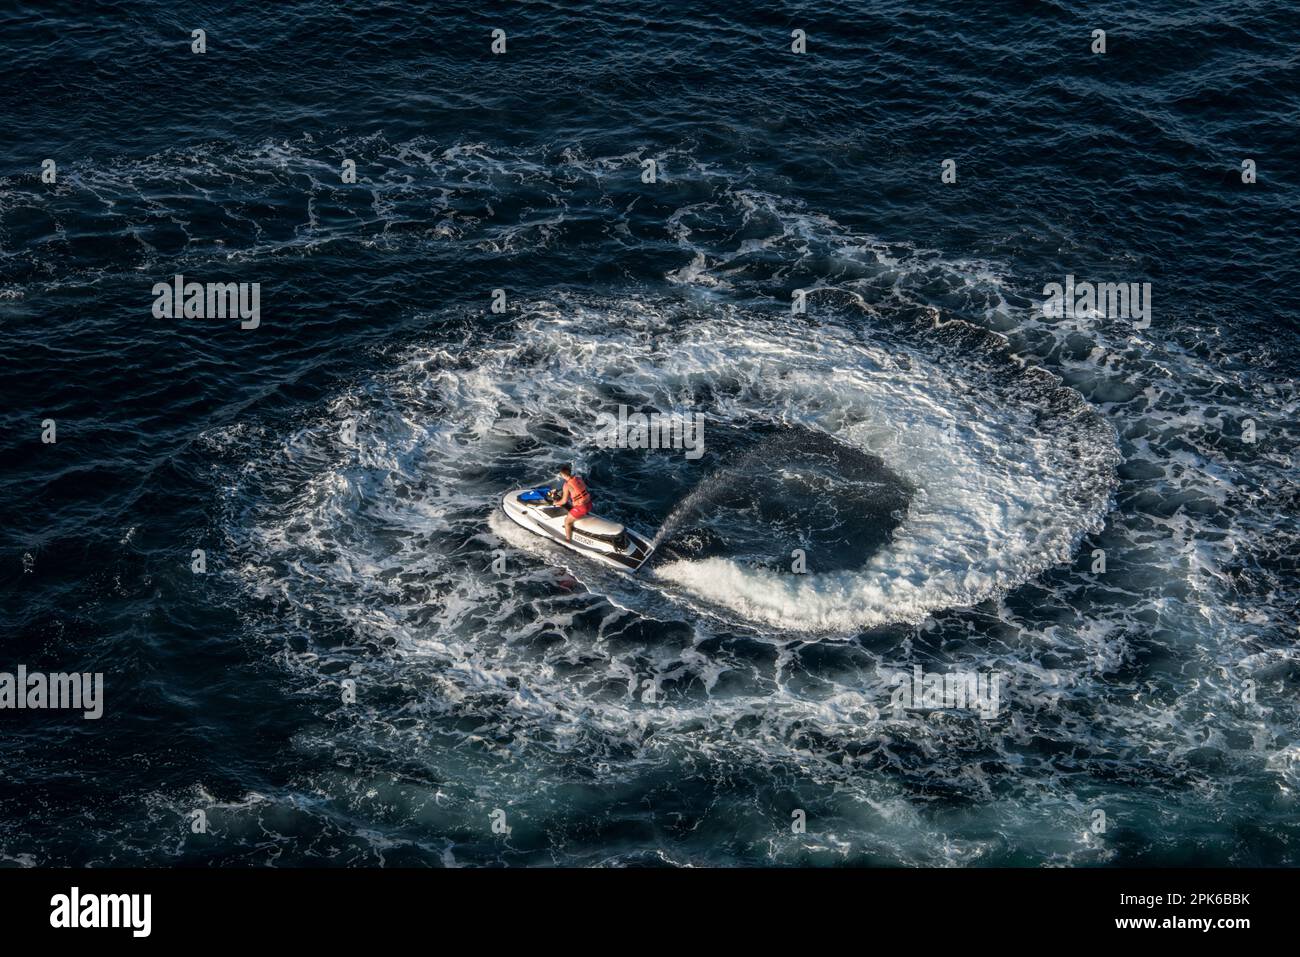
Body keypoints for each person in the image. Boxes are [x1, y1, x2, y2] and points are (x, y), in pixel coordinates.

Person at [550, 464, 592, 542]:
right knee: (572, 505)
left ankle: (568, 540)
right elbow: (577, 490)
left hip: (581, 508)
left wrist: (555, 503)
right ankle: (583, 514)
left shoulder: (566, 485)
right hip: (589, 504)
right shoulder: (579, 478)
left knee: (567, 521)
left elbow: (564, 501)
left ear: (562, 475)